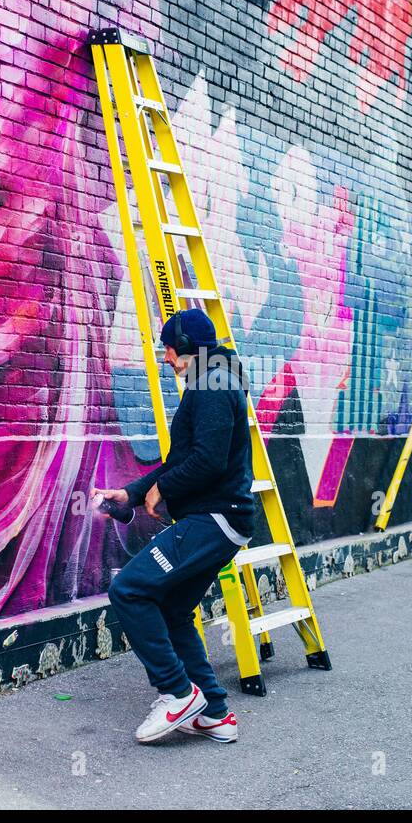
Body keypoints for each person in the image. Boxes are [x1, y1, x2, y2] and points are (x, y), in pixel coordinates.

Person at [93, 309, 255, 744]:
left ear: (184, 347)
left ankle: (177, 694)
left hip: (215, 518)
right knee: (172, 609)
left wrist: (162, 488)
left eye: (168, 348)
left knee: (129, 589)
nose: (166, 358)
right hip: (219, 518)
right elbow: (183, 459)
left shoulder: (212, 384)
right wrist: (132, 492)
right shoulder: (211, 378)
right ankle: (214, 713)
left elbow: (208, 461)